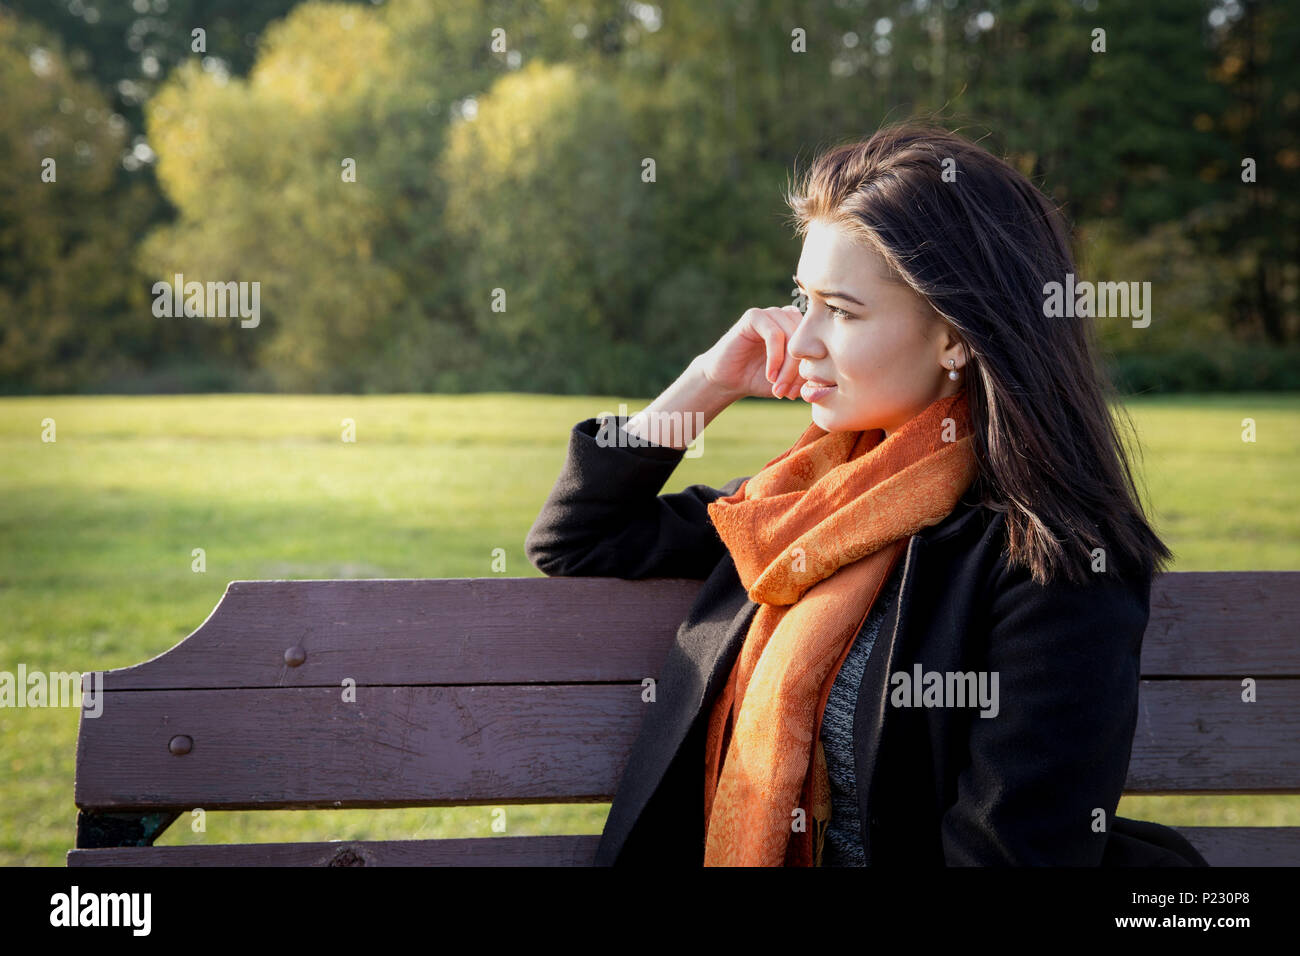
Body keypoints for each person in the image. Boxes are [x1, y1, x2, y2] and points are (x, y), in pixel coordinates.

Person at [525, 121, 1209, 867]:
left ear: (956, 338)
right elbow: (579, 537)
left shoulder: (1055, 564)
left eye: (841, 311)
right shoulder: (801, 504)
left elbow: (1005, 854)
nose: (801, 338)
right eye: (801, 299)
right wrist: (708, 380)